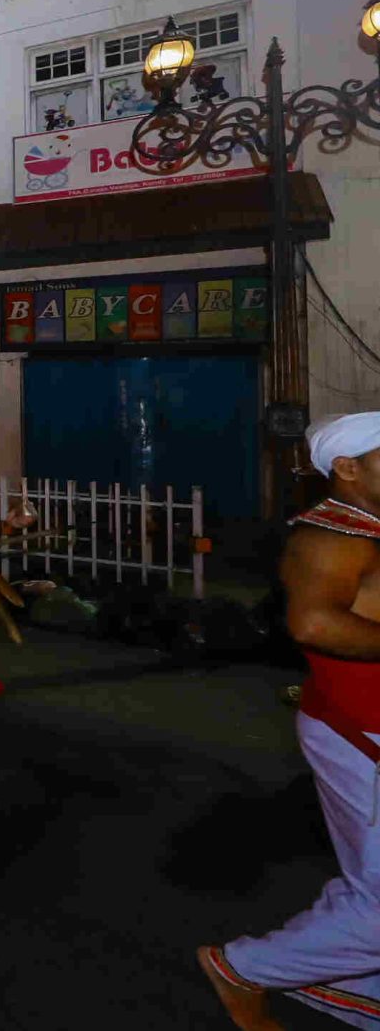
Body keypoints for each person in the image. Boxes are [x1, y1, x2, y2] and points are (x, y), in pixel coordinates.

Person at [202, 412, 380, 1030]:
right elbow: (312, 622)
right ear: (349, 468)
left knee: (373, 882)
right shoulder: (330, 536)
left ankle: (349, 987)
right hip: (360, 730)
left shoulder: (368, 527)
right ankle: (245, 969)